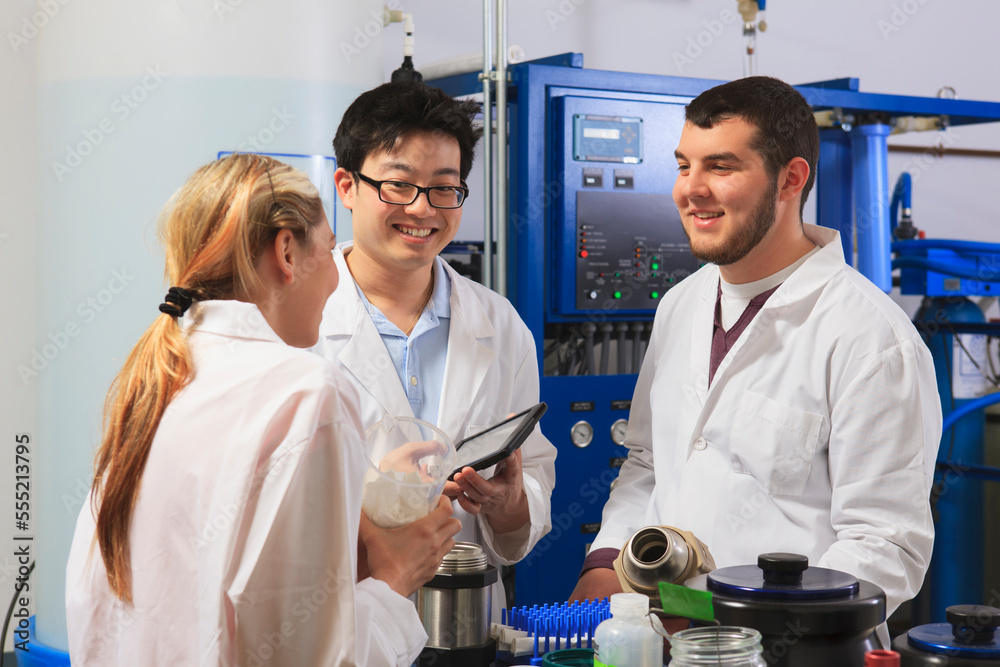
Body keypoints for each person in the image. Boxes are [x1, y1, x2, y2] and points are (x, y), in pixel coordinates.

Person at [569, 76, 941, 644]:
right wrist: (606, 560)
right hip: (664, 639)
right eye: (683, 166)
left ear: (790, 179)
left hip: (798, 652)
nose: (691, 190)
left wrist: (748, 626)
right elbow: (648, 463)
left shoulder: (872, 337)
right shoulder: (680, 304)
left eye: (720, 167)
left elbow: (885, 545)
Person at [65, 153, 461, 666]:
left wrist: (364, 496)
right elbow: (307, 657)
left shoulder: (156, 381)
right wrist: (395, 578)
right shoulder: (306, 392)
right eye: (328, 251)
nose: (336, 279)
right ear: (287, 252)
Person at [318, 82, 557, 619]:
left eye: (444, 188)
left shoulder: (499, 324)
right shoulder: (295, 321)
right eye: (398, 185)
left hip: (466, 622)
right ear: (347, 186)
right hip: (341, 623)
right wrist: (377, 495)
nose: (422, 208)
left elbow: (531, 490)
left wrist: (509, 504)